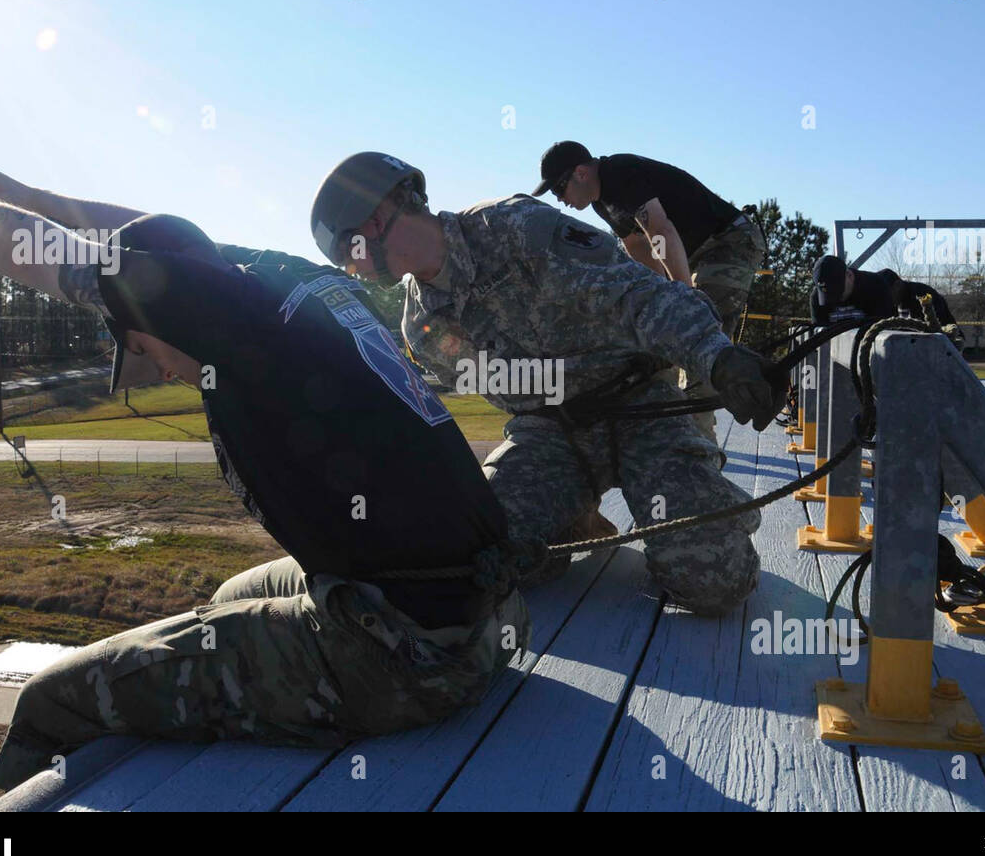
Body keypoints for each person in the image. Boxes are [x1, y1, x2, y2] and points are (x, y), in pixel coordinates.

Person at [0, 146, 529, 789]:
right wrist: (26, 192)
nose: (157, 368)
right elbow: (161, 235)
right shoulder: (286, 279)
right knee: (225, 601)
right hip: (496, 613)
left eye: (137, 344)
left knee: (54, 697)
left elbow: (47, 257)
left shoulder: (214, 314)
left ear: (159, 308)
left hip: (414, 657)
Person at [311, 152, 785, 616]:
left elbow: (637, 294)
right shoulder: (422, 326)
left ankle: (712, 505)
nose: (350, 269)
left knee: (713, 579)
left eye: (344, 253)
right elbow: (502, 399)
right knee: (487, 559)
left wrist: (717, 355)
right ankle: (573, 513)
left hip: (641, 407)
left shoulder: (515, 229)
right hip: (553, 435)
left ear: (373, 222)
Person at [531, 140, 767, 439]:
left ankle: (699, 451)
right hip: (698, 253)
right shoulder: (601, 201)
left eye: (558, 189)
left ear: (580, 173)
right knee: (666, 335)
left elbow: (660, 230)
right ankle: (679, 438)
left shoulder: (618, 173)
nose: (559, 199)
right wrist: (658, 298)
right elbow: (637, 245)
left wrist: (683, 297)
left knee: (699, 339)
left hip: (728, 242)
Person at [810, 254, 962, 344]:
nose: (835, 299)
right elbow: (819, 338)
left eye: (838, 291)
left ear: (849, 275)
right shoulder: (817, 297)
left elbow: (884, 333)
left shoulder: (876, 287)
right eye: (828, 294)